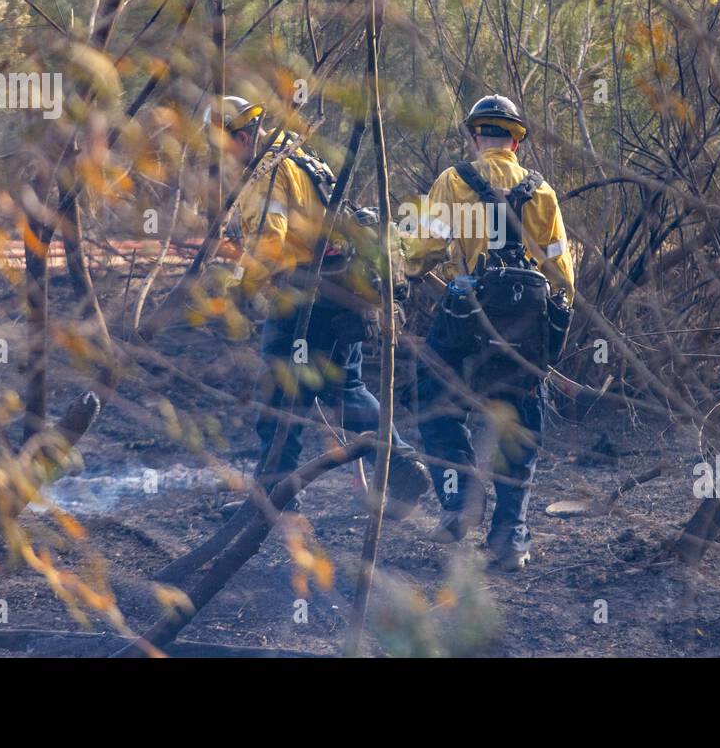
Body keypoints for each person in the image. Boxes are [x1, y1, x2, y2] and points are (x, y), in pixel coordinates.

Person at [213, 95, 431, 517]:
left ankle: (272, 497)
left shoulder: (266, 172)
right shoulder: (299, 157)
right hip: (340, 291)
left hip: (303, 300)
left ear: (240, 137)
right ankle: (403, 463)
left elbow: (270, 243)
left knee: (278, 395)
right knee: (347, 390)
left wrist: (239, 288)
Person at [400, 94, 574, 571]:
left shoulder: (453, 181)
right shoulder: (543, 193)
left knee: (433, 399)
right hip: (525, 327)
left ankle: (457, 503)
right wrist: (551, 333)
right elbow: (561, 270)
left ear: (477, 136)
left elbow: (424, 250)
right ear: (516, 140)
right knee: (521, 423)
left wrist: (405, 263)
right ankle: (510, 539)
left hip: (466, 319)